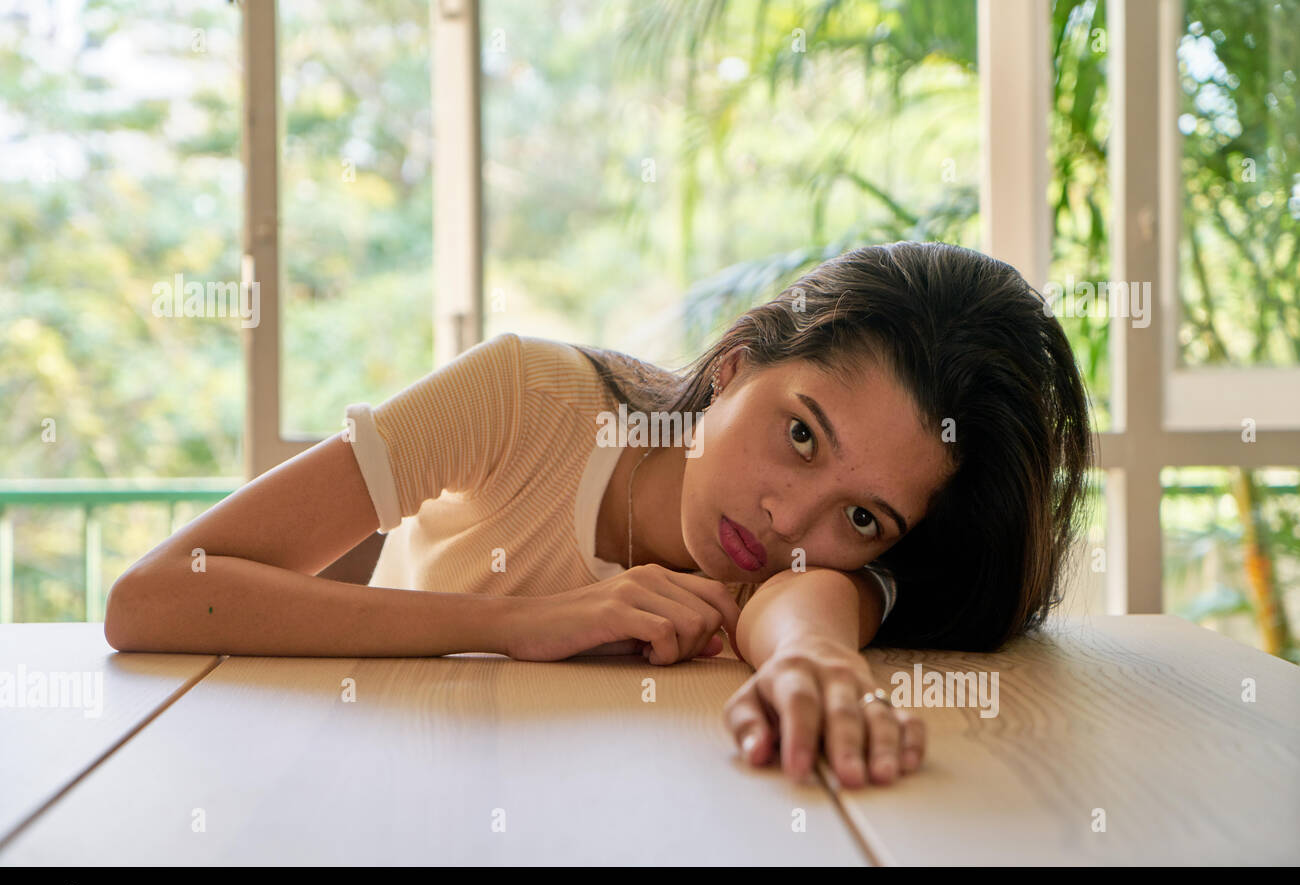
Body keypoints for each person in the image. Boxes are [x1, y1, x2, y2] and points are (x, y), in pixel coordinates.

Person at [105, 240, 1095, 791]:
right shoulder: (521, 399)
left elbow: (805, 615)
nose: (788, 516)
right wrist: (509, 628)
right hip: (383, 796)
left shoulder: (808, 566)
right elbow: (151, 600)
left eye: (865, 517)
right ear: (735, 365)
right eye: (799, 434)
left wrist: (814, 669)